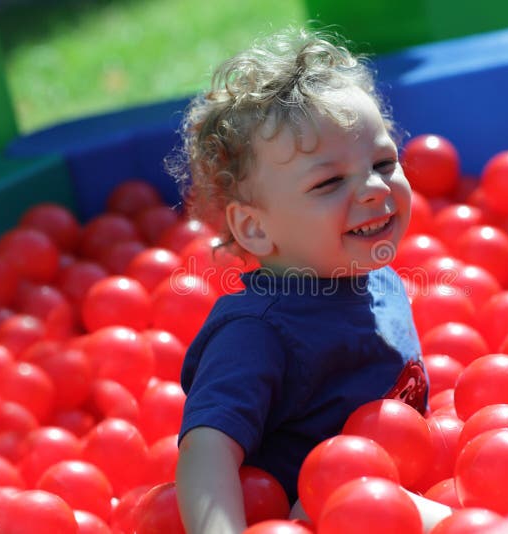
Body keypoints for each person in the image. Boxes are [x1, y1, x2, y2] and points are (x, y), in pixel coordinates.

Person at [170, 27, 452, 533]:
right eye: (328, 182)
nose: (373, 187)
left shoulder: (375, 275)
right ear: (254, 227)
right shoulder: (256, 332)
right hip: (318, 511)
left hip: (403, 483)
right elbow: (206, 448)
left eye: (384, 162)